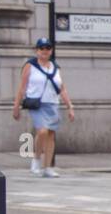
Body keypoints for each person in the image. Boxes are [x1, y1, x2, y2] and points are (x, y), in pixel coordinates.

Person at [12, 38, 75, 177]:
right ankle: (36, 159)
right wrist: (16, 106)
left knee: (51, 134)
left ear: (51, 50)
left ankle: (47, 168)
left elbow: (62, 88)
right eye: (42, 48)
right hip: (37, 103)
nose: (45, 51)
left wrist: (70, 106)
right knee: (42, 131)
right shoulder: (30, 65)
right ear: (37, 50)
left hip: (52, 102)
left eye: (47, 48)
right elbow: (22, 87)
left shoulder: (55, 67)